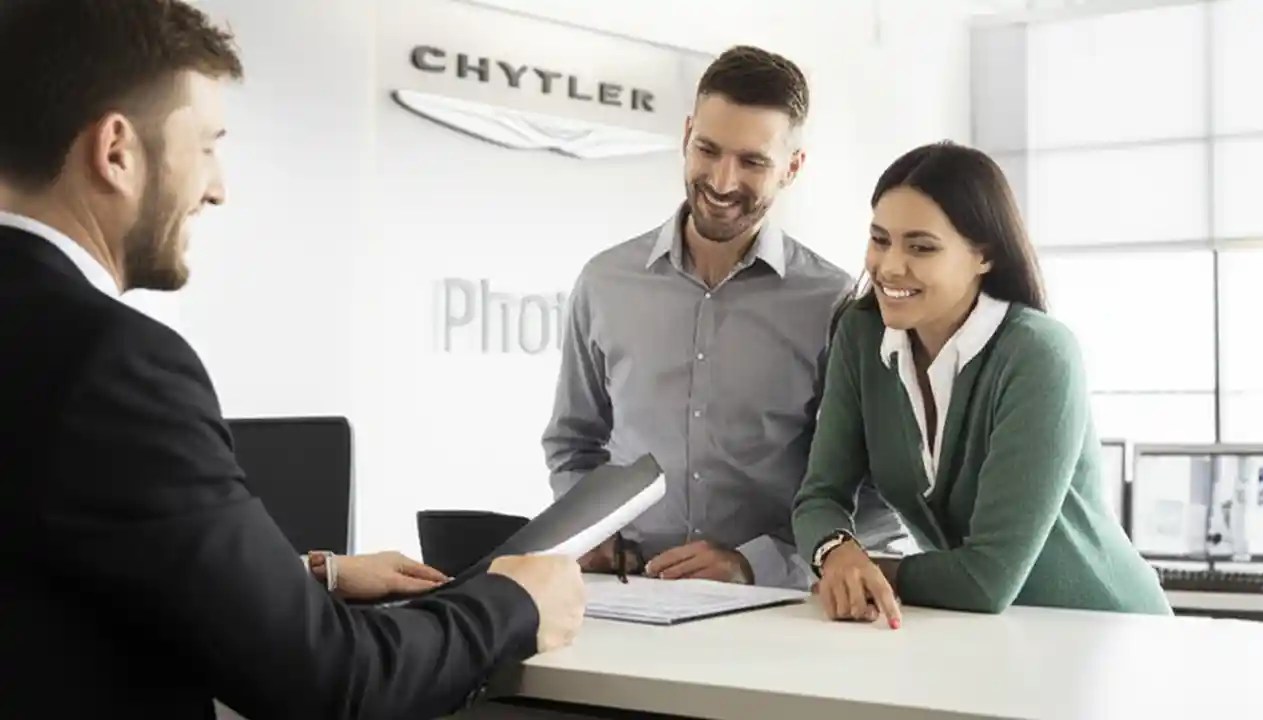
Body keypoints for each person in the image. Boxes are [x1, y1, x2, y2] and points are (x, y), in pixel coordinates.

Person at [0, 1, 585, 718]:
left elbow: (59, 575)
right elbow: (332, 681)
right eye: (208, 144)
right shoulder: (112, 362)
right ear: (117, 152)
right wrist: (513, 602)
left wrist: (313, 576)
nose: (218, 187)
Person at [542, 45, 903, 591]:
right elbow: (574, 443)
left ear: (792, 168)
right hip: (624, 598)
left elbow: (871, 499)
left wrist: (756, 563)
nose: (722, 180)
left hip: (770, 611)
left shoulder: (835, 305)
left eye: (753, 161)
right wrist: (589, 530)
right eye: (707, 149)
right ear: (687, 135)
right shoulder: (604, 282)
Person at [792, 141, 1172, 623]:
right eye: (880, 239)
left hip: (1104, 631)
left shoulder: (1038, 355)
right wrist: (838, 554)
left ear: (984, 256)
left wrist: (875, 569)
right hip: (988, 637)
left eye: (921, 247)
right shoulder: (862, 335)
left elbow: (987, 579)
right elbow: (819, 496)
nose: (889, 266)